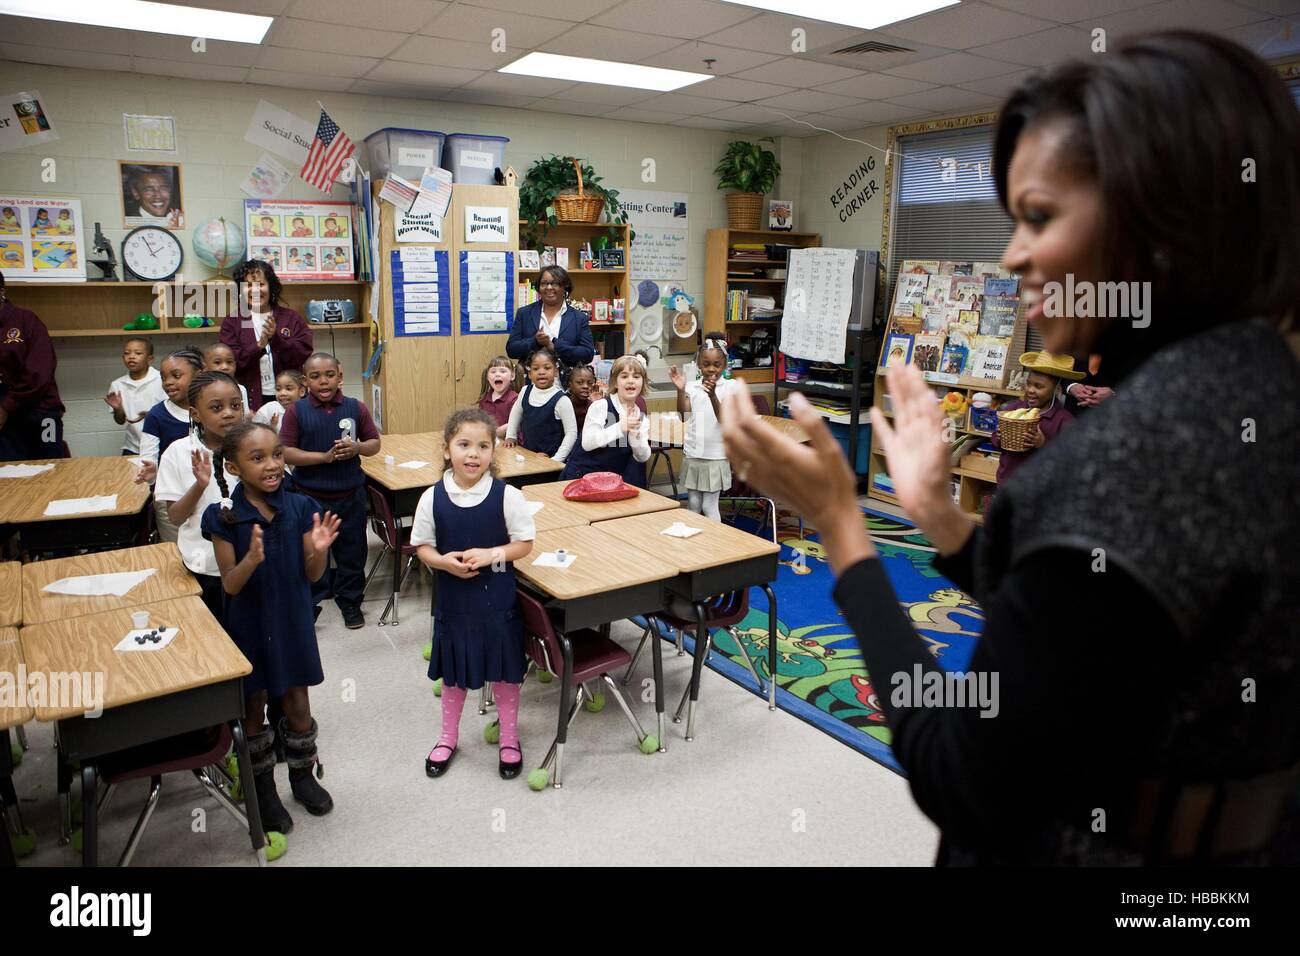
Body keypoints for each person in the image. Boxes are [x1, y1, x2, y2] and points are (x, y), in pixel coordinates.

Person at [721, 31, 1300, 866]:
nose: (1012, 255)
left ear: (1162, 219)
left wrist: (841, 526)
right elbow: (1081, 621)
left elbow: (965, 776)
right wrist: (939, 520)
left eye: (1039, 217)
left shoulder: (1127, 459)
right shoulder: (1258, 386)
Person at [204, 420, 339, 833]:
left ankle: (301, 776)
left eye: (277, 454)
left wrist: (317, 551)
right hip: (248, 625)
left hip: (292, 619)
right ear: (233, 467)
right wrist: (250, 560)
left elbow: (313, 576)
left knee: (297, 699)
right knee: (253, 706)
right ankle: (263, 789)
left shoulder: (300, 507)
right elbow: (229, 583)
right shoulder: (223, 517)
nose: (272, 464)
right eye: (257, 457)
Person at [412, 408, 535, 779]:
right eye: (464, 444)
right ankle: (448, 736)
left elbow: (524, 544)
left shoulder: (507, 495)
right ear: (447, 449)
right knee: (453, 673)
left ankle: (509, 737)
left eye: (483, 446)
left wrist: (492, 554)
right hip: (454, 602)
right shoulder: (431, 497)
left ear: (493, 452)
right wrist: (444, 563)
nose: (473, 454)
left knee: (504, 672)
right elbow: (422, 546)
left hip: (497, 601)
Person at [280, 352, 380, 630]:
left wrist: (358, 448)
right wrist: (322, 458)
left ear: (340, 376)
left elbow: (374, 443)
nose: (323, 381)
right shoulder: (296, 411)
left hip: (350, 495)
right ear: (305, 382)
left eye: (329, 375)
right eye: (315, 376)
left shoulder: (355, 407)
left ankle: (350, 603)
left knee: (353, 553)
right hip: (309, 497)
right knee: (311, 554)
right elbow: (285, 452)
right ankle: (309, 605)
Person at [154, 371, 244, 618]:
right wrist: (200, 485)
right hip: (205, 568)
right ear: (196, 414)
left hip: (252, 563)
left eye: (236, 405)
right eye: (216, 408)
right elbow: (174, 517)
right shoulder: (178, 452)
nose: (229, 413)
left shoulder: (253, 445)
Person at [219, 258, 314, 412]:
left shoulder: (290, 317)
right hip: (250, 400)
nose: (255, 290)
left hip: (290, 398)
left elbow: (303, 354)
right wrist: (258, 347)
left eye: (261, 284)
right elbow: (231, 362)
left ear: (271, 288)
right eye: (248, 285)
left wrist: (276, 339)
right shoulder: (233, 321)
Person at [0, 273, 67, 461]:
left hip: (41, 413)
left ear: (2, 292)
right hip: (5, 420)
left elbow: (38, 374)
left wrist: (6, 407)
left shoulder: (26, 320)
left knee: (52, 469)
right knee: (9, 478)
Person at [671, 339, 736, 520]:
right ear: (699, 364)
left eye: (717, 364)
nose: (711, 369)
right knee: (693, 505)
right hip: (694, 453)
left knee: (709, 506)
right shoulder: (693, 386)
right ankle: (696, 544)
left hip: (716, 456)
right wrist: (680, 390)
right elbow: (683, 416)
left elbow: (725, 420)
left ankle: (715, 544)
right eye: (706, 364)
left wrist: (713, 395)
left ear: (724, 364)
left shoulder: (730, 387)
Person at [560, 354, 650, 486]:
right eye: (624, 376)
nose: (631, 381)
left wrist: (636, 437)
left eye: (636, 377)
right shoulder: (601, 406)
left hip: (609, 483)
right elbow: (588, 443)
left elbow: (642, 456)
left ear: (643, 382)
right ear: (615, 382)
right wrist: (620, 427)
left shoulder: (641, 418)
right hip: (582, 478)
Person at [991, 352, 1078, 485]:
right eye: (1029, 384)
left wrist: (1044, 444)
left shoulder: (1065, 421)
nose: (1030, 390)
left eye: (1039, 386)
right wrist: (999, 437)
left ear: (1057, 390)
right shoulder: (1012, 410)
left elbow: (1070, 460)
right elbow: (996, 441)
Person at [505, 265, 595, 376]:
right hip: (530, 382)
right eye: (544, 283)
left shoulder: (579, 318)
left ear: (565, 287)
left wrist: (554, 346)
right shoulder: (524, 313)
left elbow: (588, 354)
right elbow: (511, 349)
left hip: (565, 384)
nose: (549, 287)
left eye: (554, 283)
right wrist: (535, 342)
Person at [503, 346, 576, 462]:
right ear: (530, 373)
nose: (541, 372)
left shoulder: (562, 400)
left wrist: (556, 460)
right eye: (536, 369)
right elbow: (515, 413)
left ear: (556, 372)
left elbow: (571, 433)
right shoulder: (525, 391)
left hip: (551, 460)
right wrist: (511, 436)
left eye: (547, 368)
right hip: (528, 456)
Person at [105, 337, 166, 456]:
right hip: (132, 447)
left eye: (138, 353)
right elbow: (120, 421)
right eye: (127, 353)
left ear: (150, 359)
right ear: (123, 358)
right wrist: (118, 409)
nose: (131, 356)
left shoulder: (162, 379)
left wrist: (152, 415)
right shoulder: (117, 384)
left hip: (162, 445)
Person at [476, 355, 519, 439]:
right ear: (488, 377)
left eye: (503, 371)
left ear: (512, 376)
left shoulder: (515, 399)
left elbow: (516, 423)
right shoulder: (484, 399)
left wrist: (495, 433)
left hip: (510, 444)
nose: (497, 375)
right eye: (493, 372)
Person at [253, 369, 306, 433]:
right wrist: (271, 428)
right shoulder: (267, 410)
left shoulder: (308, 413)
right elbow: (254, 434)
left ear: (302, 391)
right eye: (278, 389)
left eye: (289, 389)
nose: (282, 393)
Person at [202, 342, 251, 411]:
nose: (225, 367)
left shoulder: (241, 389)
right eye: (217, 362)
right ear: (205, 367)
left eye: (229, 362)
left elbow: (244, 416)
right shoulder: (201, 391)